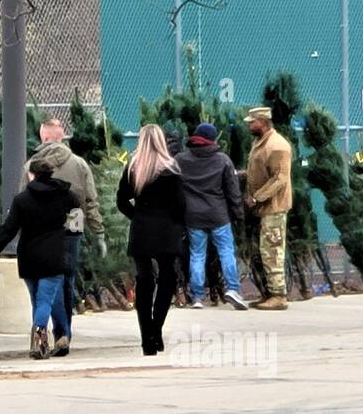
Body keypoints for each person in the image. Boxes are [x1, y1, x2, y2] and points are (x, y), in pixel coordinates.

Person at [0, 155, 81, 359]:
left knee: (40, 301)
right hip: (54, 255)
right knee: (48, 300)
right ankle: (57, 337)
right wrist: (69, 238)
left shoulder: (22, 200)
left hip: (29, 256)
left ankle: (44, 340)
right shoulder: (66, 195)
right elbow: (76, 221)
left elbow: (8, 229)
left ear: (31, 174)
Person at [23, 117, 104, 354]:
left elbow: (22, 200)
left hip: (42, 232)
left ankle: (45, 334)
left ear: (44, 137)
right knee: (65, 280)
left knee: (45, 284)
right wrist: (98, 231)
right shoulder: (79, 164)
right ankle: (64, 333)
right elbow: (90, 201)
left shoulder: (31, 165)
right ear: (61, 137)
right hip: (73, 224)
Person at [115, 124, 186, 356]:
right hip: (166, 231)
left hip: (142, 230)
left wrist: (137, 216)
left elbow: (121, 200)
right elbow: (180, 205)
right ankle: (157, 328)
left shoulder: (133, 167)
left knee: (144, 280)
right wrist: (176, 223)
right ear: (161, 141)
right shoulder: (171, 168)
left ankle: (147, 338)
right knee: (168, 279)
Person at [175, 122, 249, 310]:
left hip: (193, 216)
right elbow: (233, 191)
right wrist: (238, 215)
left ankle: (198, 296)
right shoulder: (222, 160)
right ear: (213, 139)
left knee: (197, 254)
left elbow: (174, 187)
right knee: (226, 252)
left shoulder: (181, 160)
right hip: (218, 215)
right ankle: (232, 289)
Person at [243, 106, 293, 310]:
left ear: (263, 122)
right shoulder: (259, 143)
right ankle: (268, 293)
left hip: (273, 207)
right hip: (262, 209)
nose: (249, 125)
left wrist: (257, 197)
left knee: (272, 250)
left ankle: (278, 295)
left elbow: (280, 178)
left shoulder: (277, 146)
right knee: (263, 251)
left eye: (252, 122)